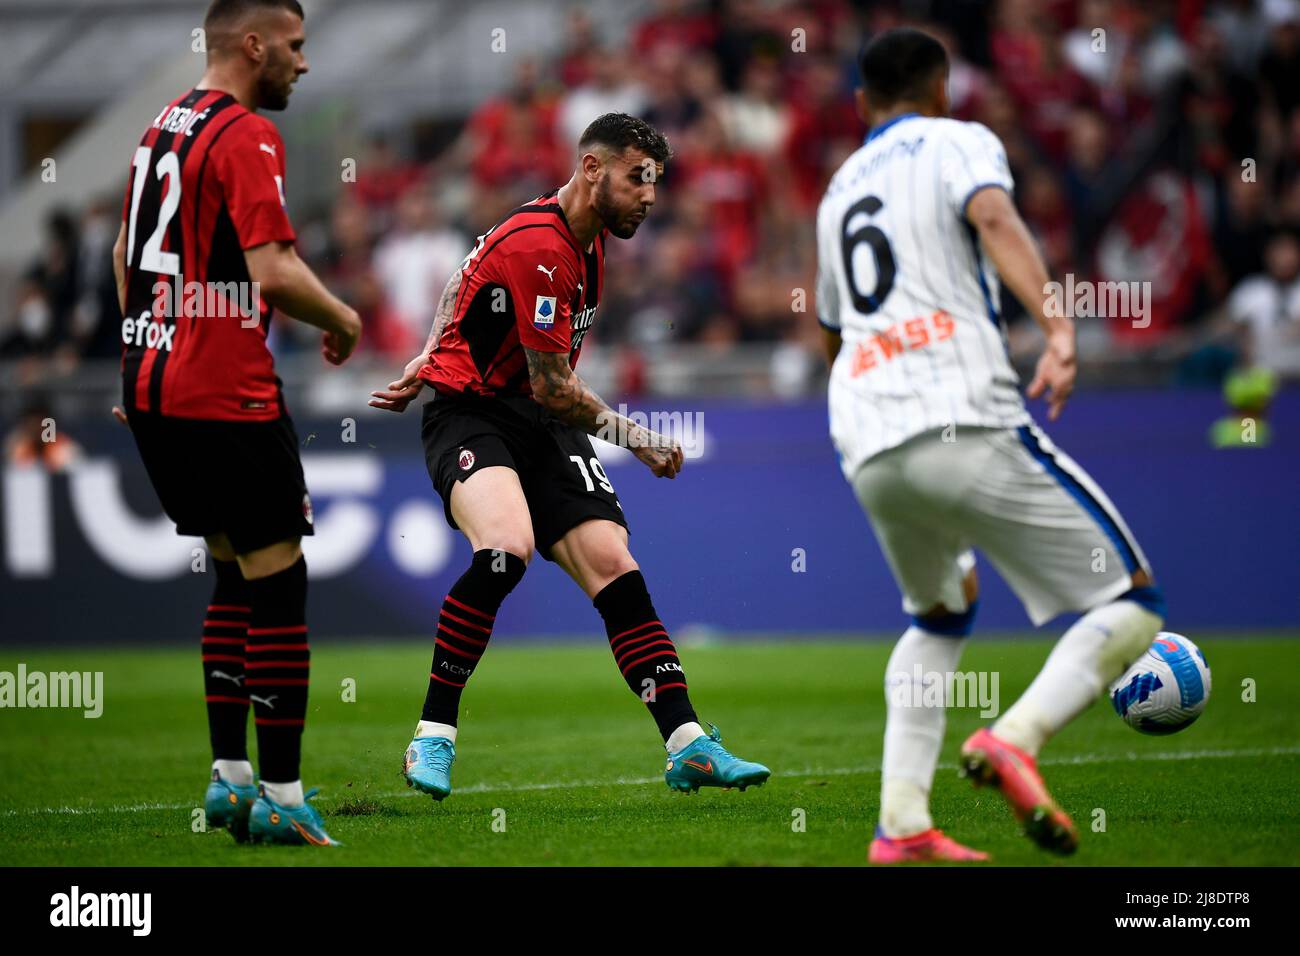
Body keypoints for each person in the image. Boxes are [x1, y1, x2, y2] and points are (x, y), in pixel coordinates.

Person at [815, 28, 1166, 863]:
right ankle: (1015, 738)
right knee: (1133, 605)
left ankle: (901, 826)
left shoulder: (835, 191)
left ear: (861, 105)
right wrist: (1057, 323)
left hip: (865, 436)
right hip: (959, 409)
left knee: (939, 613)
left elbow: (832, 330)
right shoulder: (959, 140)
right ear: (942, 92)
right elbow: (994, 214)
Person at [369, 112, 769, 800]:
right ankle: (432, 736)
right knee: (505, 550)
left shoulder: (583, 238)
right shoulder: (541, 247)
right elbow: (557, 386)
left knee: (615, 564)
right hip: (472, 413)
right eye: (638, 178)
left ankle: (689, 744)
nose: (650, 196)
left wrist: (431, 341)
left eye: (657, 182)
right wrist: (637, 438)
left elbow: (461, 279)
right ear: (591, 170)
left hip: (539, 417)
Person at [111, 0, 361, 846]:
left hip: (153, 385)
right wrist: (343, 318)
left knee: (230, 571)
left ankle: (230, 779)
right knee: (278, 581)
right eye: (294, 46)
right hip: (226, 392)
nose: (304, 62)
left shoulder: (161, 127)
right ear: (253, 45)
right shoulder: (246, 134)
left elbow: (124, 257)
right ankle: (283, 798)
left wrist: (142, 350)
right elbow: (274, 268)